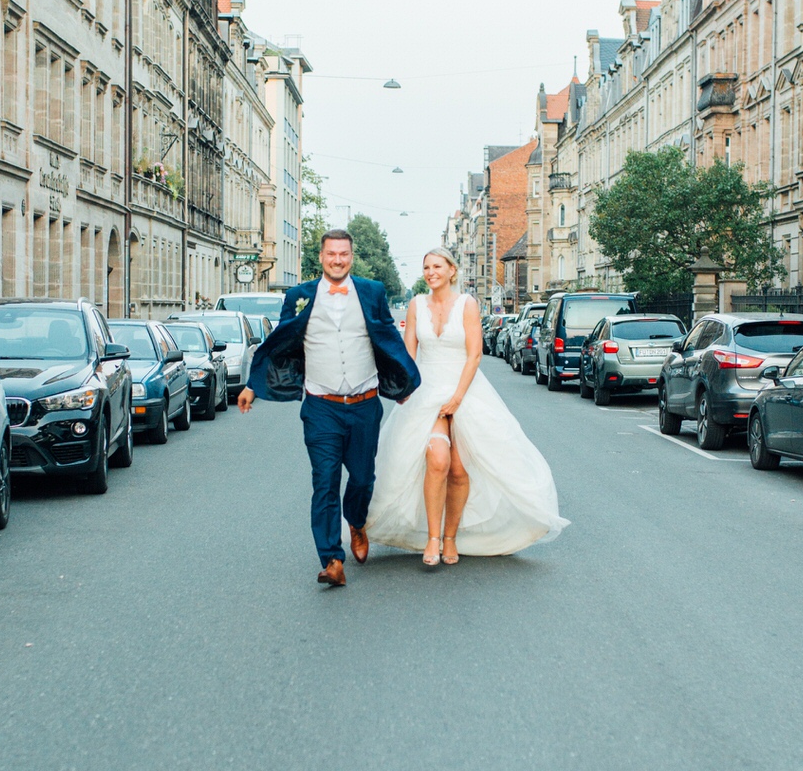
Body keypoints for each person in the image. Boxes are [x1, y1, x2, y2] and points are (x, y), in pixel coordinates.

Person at [237, 230, 420, 587]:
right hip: (321, 406)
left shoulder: (372, 292)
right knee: (324, 482)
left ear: (351, 257)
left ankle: (356, 520)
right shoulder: (299, 296)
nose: (338, 260)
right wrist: (253, 386)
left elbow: (388, 340)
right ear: (321, 257)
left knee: (364, 478)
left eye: (344, 254)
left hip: (365, 404)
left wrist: (400, 384)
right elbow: (282, 344)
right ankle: (332, 560)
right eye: (332, 254)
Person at [366, 248, 568, 564]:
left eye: (437, 266)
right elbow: (408, 354)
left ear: (451, 270)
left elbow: (474, 355)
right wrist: (401, 385)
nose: (430, 272)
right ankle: (432, 539)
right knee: (437, 459)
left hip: (465, 391)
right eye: (426, 267)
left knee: (459, 470)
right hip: (427, 394)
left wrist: (458, 397)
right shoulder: (417, 305)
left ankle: (450, 538)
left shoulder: (467, 304)